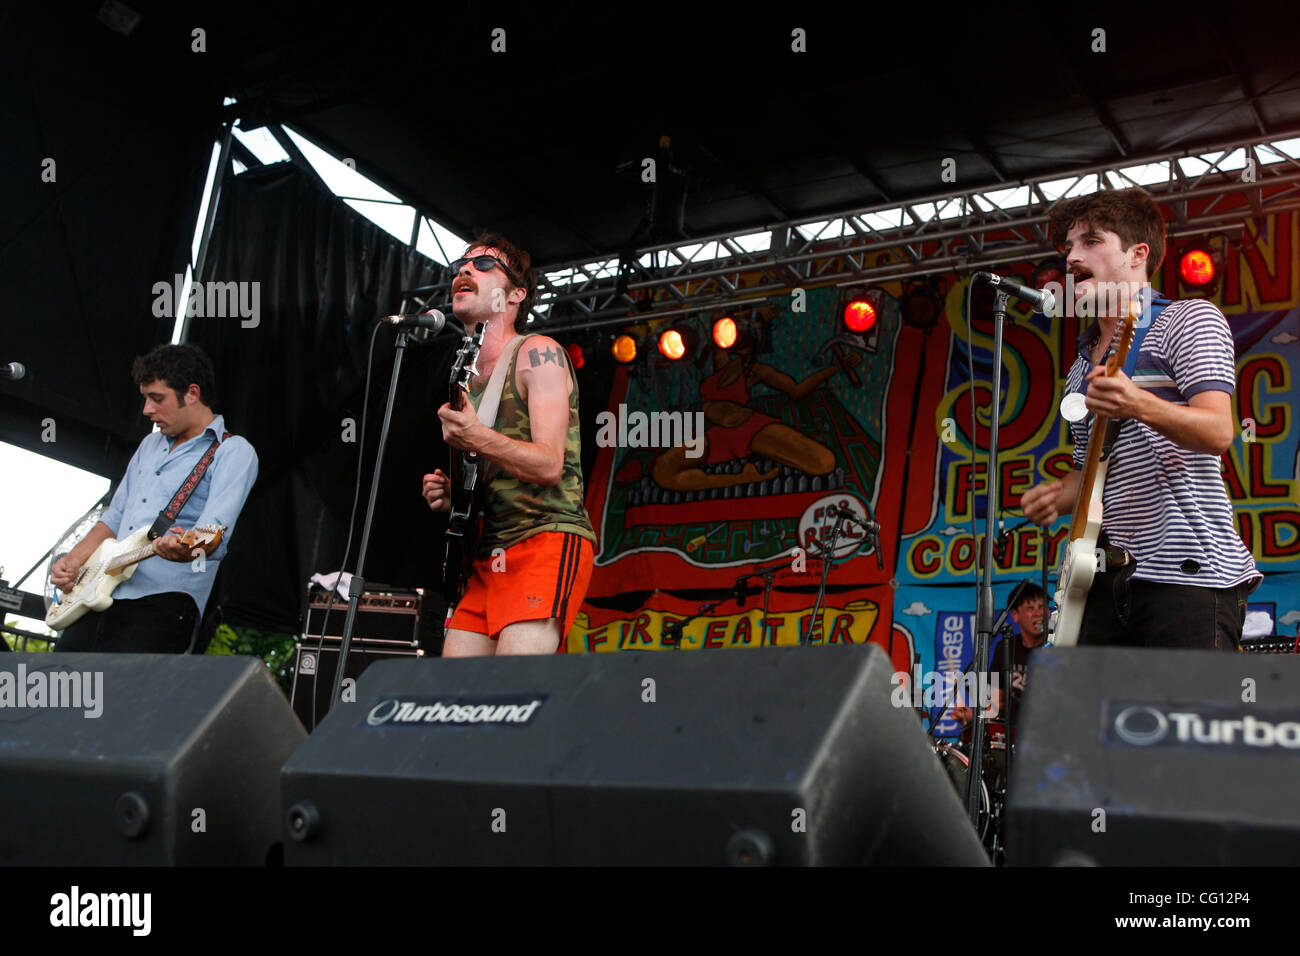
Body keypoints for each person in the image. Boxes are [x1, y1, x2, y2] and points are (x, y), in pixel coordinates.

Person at [1020, 188, 1260, 649]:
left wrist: (1138, 403)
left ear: (1137, 254)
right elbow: (1092, 471)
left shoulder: (1187, 320)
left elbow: (1218, 431)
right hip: (1100, 583)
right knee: (1096, 723)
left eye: (1090, 242)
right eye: (1068, 247)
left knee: (1186, 722)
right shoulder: (1079, 367)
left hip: (1186, 576)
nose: (1072, 257)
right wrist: (1059, 494)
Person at [422, 235, 596, 656]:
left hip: (546, 539)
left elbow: (549, 464)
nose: (465, 271)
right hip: (488, 555)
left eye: (484, 264)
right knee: (453, 703)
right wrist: (457, 497)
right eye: (460, 265)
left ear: (516, 294)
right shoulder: (463, 379)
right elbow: (494, 472)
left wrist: (477, 437)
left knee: (509, 692)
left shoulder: (539, 353)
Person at [51, 344, 258, 653]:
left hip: (161, 604)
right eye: (146, 398)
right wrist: (73, 560)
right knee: (59, 692)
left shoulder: (233, 451)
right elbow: (115, 517)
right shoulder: (150, 445)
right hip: (96, 597)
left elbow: (212, 535)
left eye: (157, 398)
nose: (147, 410)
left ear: (191, 393)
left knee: (127, 701)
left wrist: (183, 548)